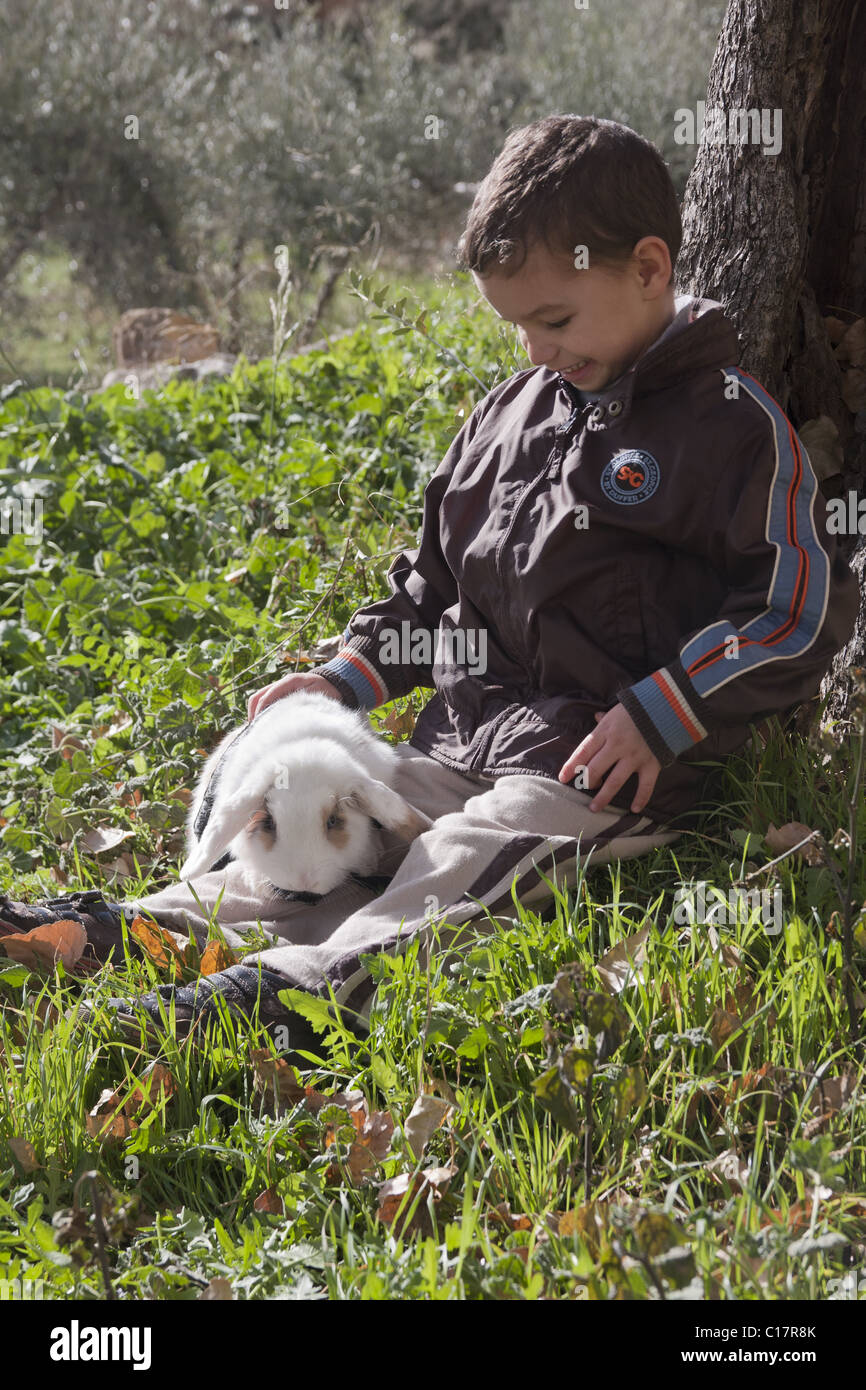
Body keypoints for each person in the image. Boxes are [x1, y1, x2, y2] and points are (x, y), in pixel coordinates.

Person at [4, 114, 858, 1047]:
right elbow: (433, 579)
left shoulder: (730, 428)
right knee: (339, 826)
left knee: (459, 859)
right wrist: (347, 674)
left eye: (554, 320)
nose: (534, 350)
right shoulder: (508, 415)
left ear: (649, 269)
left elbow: (795, 605)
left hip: (601, 774)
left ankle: (291, 994)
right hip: (460, 739)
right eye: (517, 326)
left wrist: (667, 709)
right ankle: (125, 931)